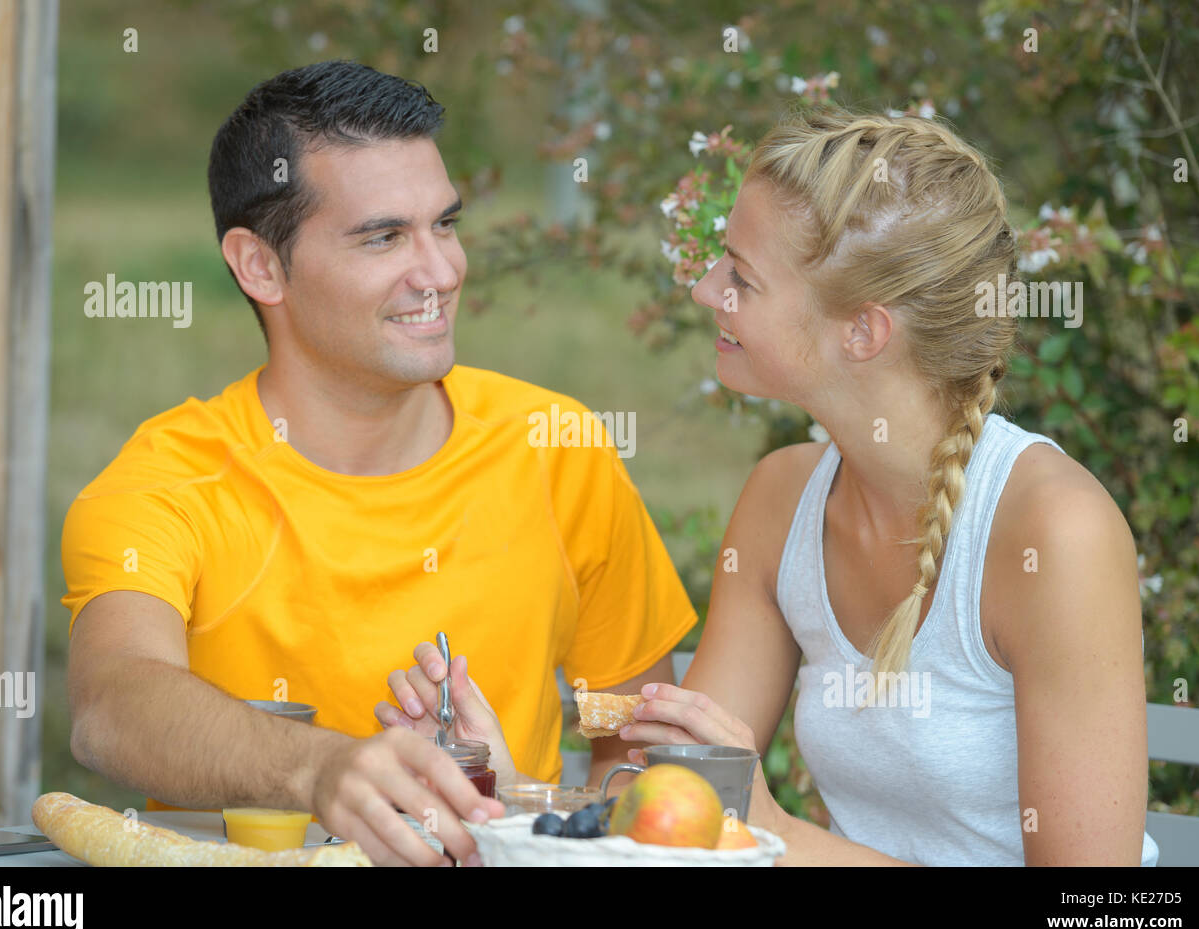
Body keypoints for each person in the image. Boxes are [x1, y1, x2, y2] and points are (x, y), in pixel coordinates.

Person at [414, 105, 1160, 866]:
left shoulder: (1054, 532)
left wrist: (766, 830)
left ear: (863, 332)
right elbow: (669, 809)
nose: (707, 290)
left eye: (741, 275)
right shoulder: (782, 499)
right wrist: (507, 793)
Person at [60, 60, 695, 867]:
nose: (441, 272)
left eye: (446, 225)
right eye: (385, 236)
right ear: (259, 265)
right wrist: (323, 769)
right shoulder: (166, 481)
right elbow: (113, 706)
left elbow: (633, 754)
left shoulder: (557, 444)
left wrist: (522, 817)